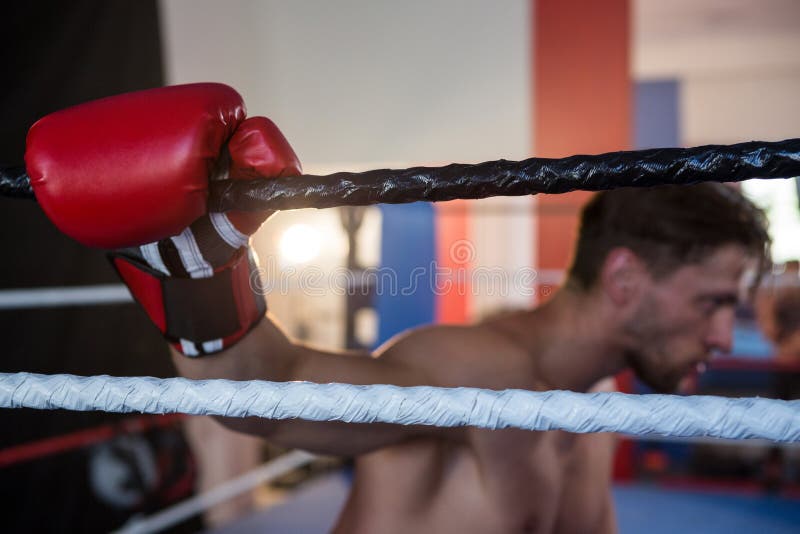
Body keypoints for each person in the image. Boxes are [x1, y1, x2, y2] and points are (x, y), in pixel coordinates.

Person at [25, 84, 770, 533]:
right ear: (626, 278)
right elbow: (269, 394)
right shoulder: (476, 377)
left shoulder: (598, 410)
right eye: (713, 302)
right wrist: (194, 270)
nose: (721, 333)